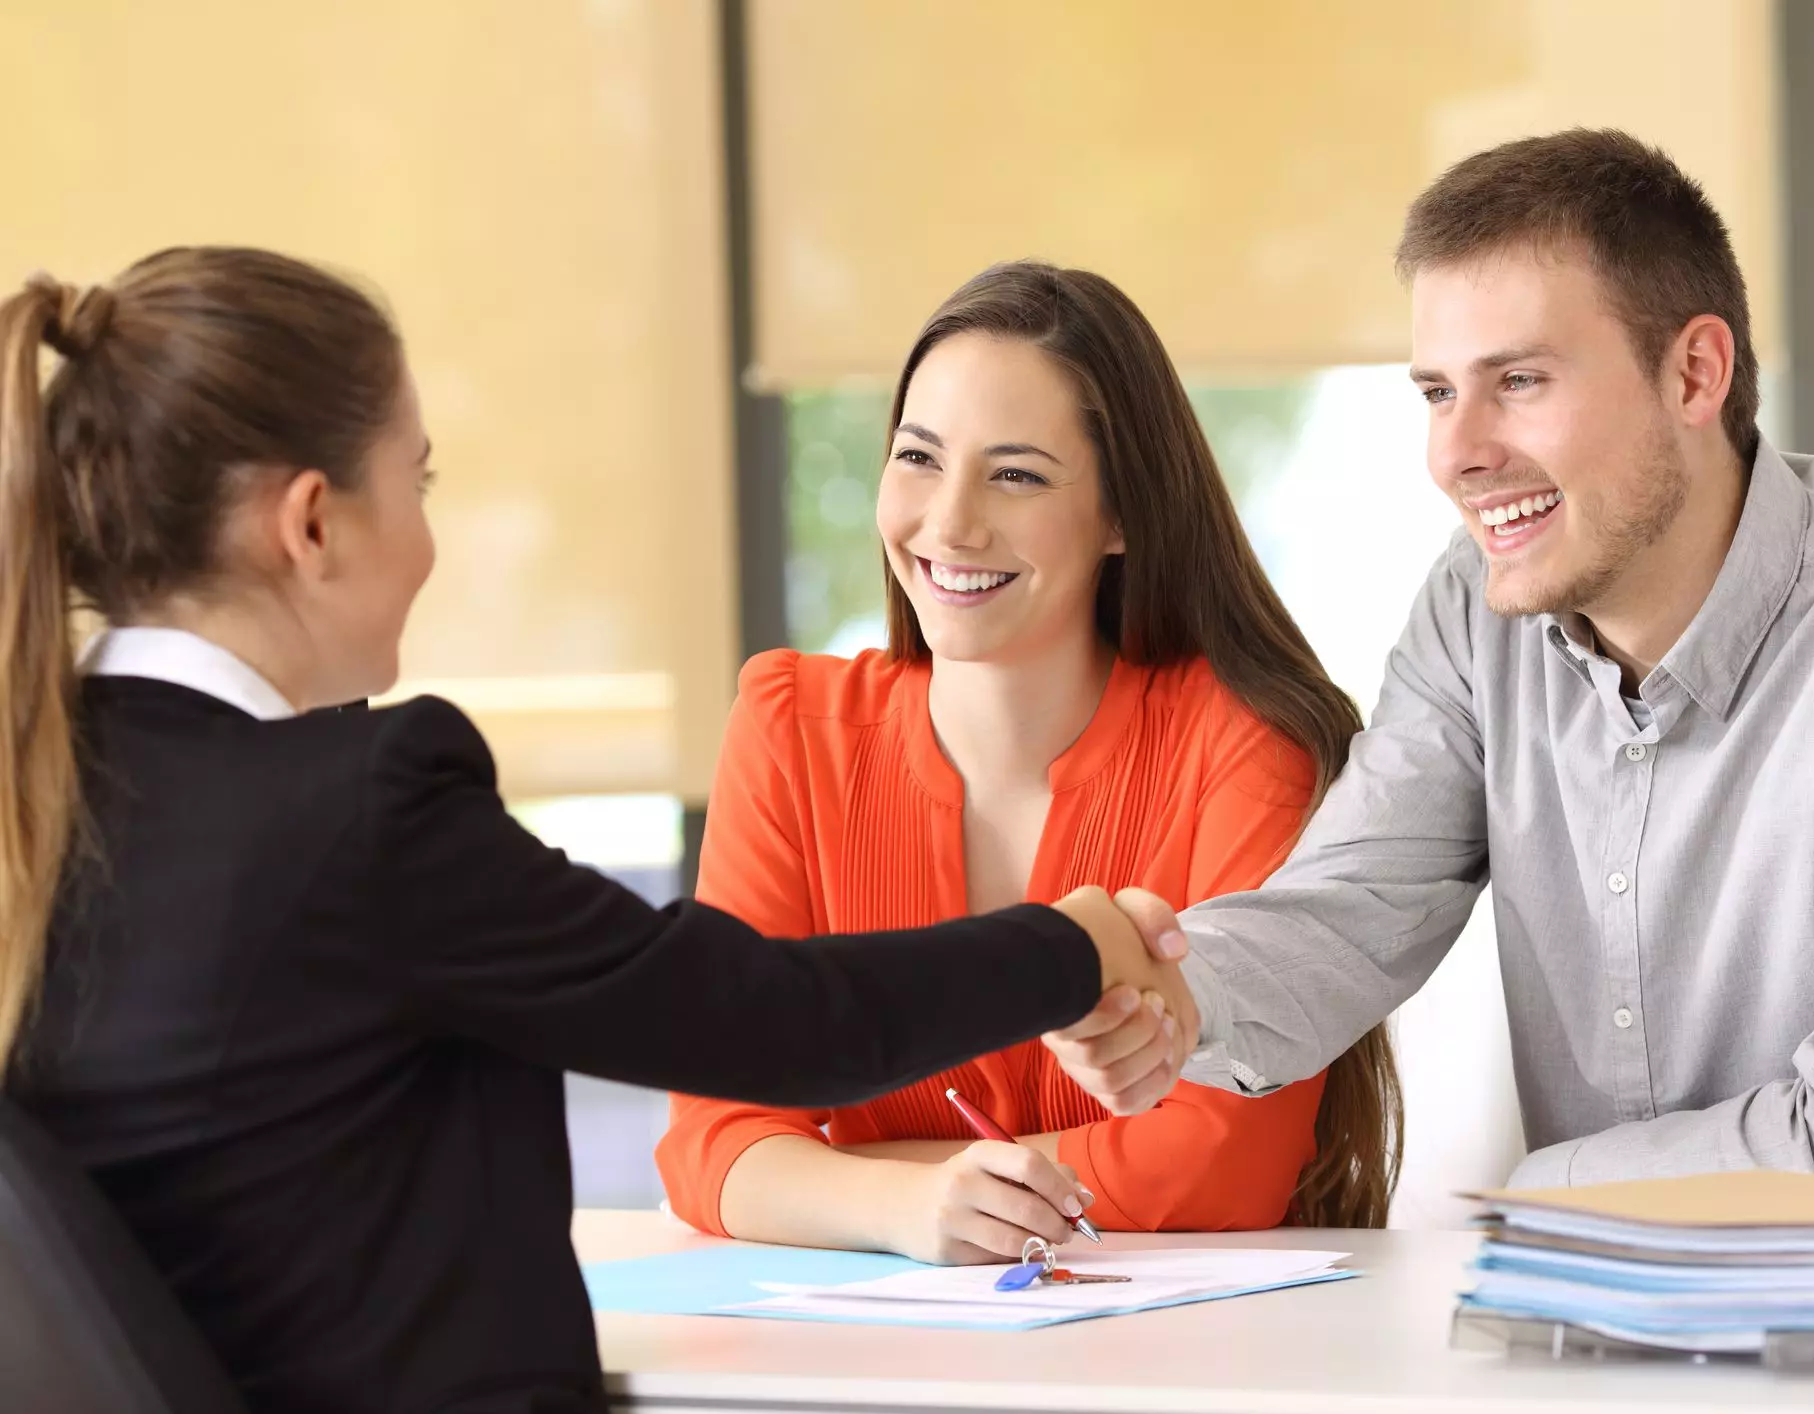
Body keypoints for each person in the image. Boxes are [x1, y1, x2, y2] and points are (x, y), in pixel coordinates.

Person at [0, 248, 1192, 1414]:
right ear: (312, 525)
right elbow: (775, 1021)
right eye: (416, 484)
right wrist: (1075, 941)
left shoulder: (37, 799)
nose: (427, 540)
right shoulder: (359, 808)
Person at [1048, 128, 1814, 1187]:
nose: (1455, 453)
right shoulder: (1478, 604)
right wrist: (1173, 993)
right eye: (1435, 391)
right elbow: (1350, 908)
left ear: (1695, 372)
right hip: (1609, 1329)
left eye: (1517, 379)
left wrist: (1538, 1192)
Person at [655, 262, 1402, 1264]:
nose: (950, 522)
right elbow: (713, 1138)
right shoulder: (790, 729)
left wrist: (850, 1176)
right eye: (918, 458)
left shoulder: (1240, 749)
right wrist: (910, 1209)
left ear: (1123, 513)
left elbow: (1223, 1159)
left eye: (1016, 474)